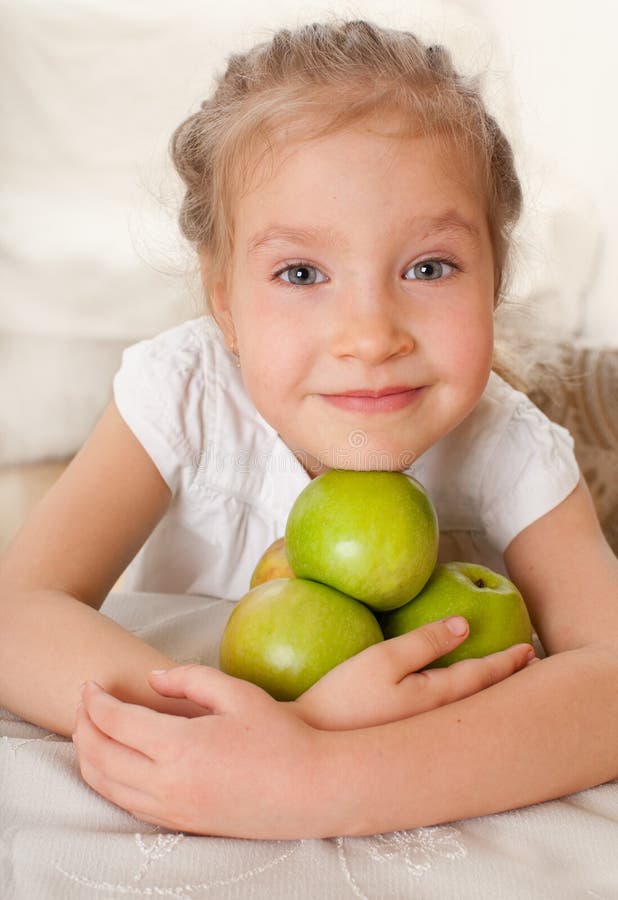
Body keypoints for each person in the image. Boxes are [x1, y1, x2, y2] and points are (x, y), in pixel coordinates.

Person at [1, 19, 617, 840]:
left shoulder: (510, 446)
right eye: (301, 273)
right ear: (224, 302)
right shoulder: (183, 393)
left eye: (428, 268)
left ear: (495, 282)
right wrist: (237, 723)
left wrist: (323, 774)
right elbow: (19, 610)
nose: (370, 335)